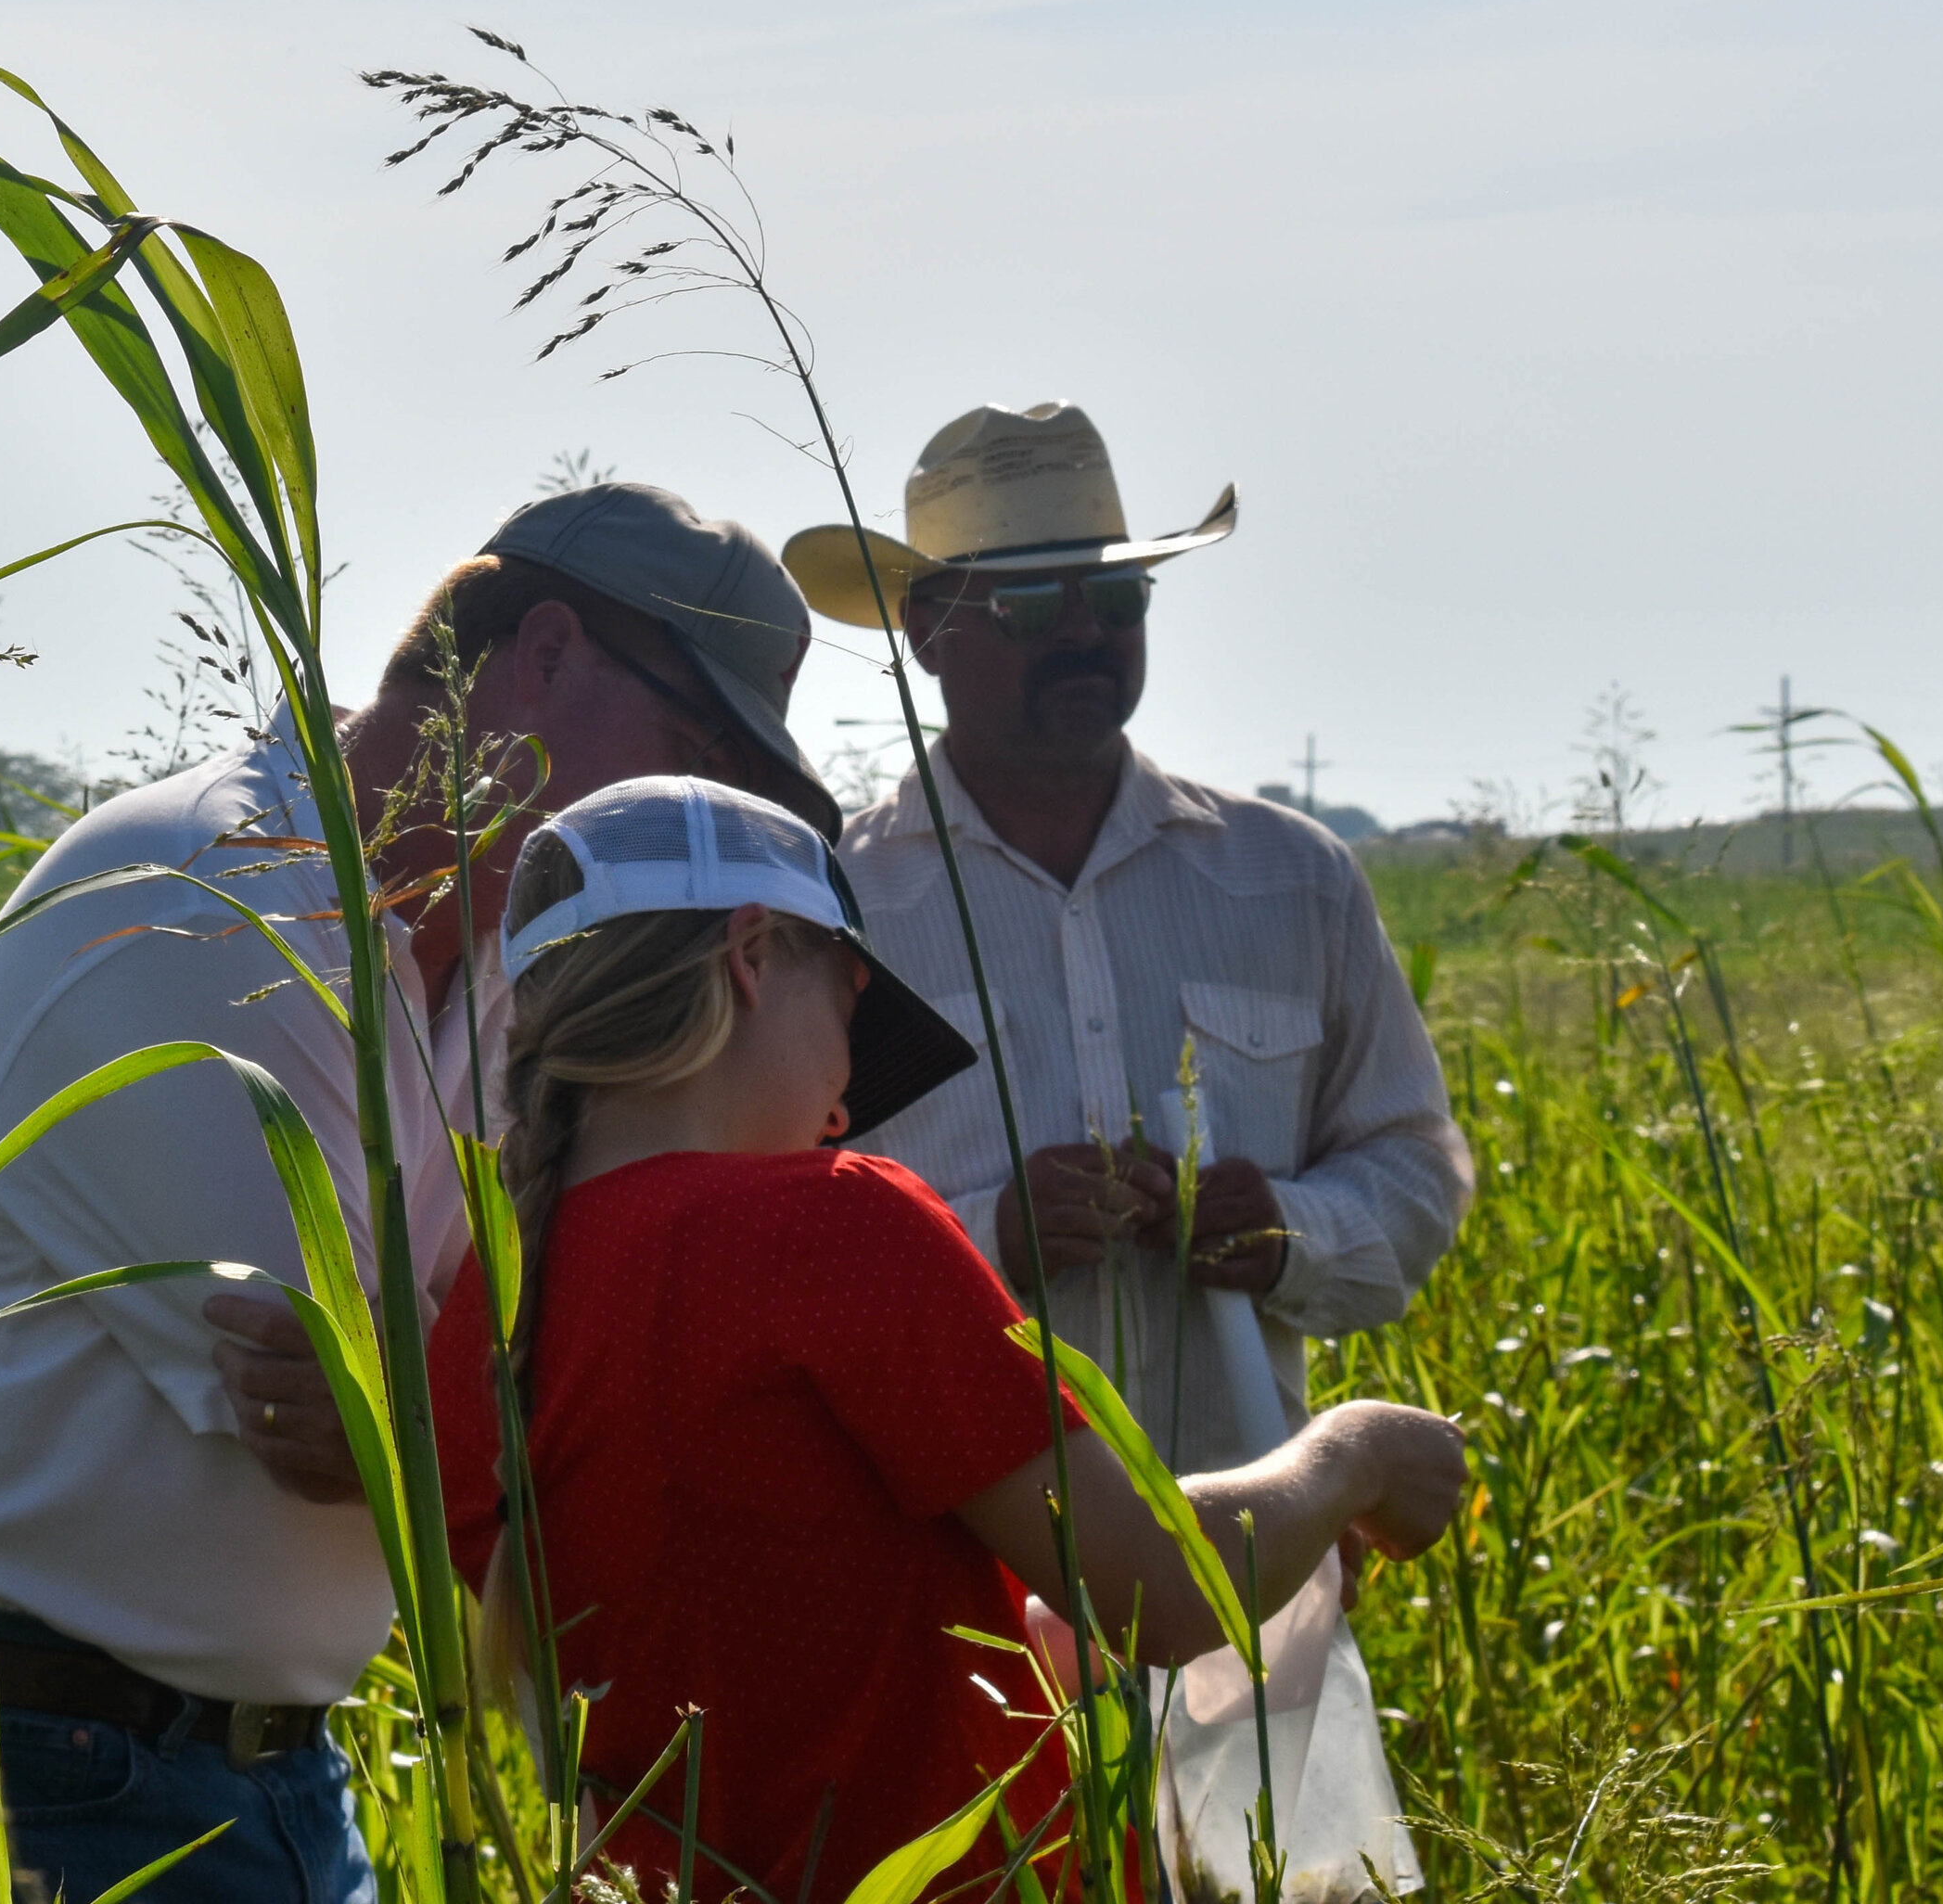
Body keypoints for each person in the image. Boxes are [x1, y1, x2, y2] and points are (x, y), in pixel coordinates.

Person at [0, 483, 852, 1904]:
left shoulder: (494, 962)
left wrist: (467, 1382)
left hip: (253, 1767)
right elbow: (359, 1417)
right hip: (12, 1767)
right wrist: (482, 1385)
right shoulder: (204, 897)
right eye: (695, 748)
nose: (694, 811)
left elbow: (471, 1391)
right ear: (541, 655)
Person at [428, 773, 1470, 1904]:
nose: (841, 1105)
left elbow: (767, 1655)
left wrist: (1094, 1630)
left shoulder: (491, 1302)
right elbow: (1163, 1593)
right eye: (849, 1013)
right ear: (752, 955)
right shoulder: (832, 1223)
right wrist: (1353, 1457)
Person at [781, 402, 1475, 1475]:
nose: (1079, 633)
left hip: (1249, 1545)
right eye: (1023, 605)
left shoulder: (1291, 878)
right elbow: (773, 1247)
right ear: (923, 630)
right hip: (952, 1572)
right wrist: (990, 1237)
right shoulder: (833, 907)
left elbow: (1417, 1168)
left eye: (1112, 595)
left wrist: (1287, 1226)